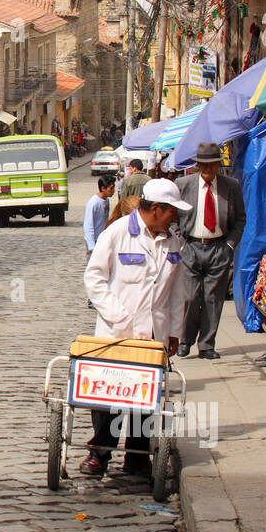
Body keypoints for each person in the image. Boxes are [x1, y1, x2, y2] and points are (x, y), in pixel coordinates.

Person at [81, 179, 191, 477]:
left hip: (154, 333)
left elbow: (177, 292)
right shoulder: (117, 234)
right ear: (156, 209)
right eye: (172, 212)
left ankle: (138, 456)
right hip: (116, 333)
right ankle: (99, 453)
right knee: (108, 397)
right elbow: (94, 279)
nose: (176, 218)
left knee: (146, 398)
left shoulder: (173, 243)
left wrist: (174, 332)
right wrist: (117, 316)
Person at [176, 142, 246, 359]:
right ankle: (185, 340)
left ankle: (206, 344)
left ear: (218, 164)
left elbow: (240, 219)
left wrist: (229, 245)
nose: (206, 169)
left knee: (212, 299)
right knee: (190, 297)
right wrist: (180, 241)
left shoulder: (230, 186)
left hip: (218, 247)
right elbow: (173, 216)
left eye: (211, 165)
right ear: (197, 165)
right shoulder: (183, 185)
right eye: (202, 165)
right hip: (191, 246)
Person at [83, 174, 115, 259]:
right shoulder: (93, 203)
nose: (113, 191)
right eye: (111, 188)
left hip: (102, 238)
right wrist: (91, 245)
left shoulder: (106, 200)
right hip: (94, 240)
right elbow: (88, 225)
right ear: (103, 188)